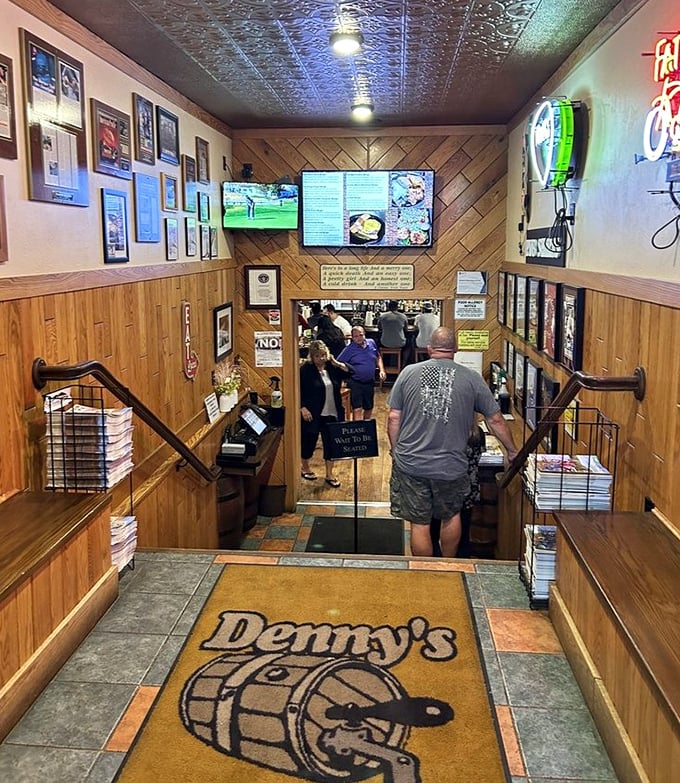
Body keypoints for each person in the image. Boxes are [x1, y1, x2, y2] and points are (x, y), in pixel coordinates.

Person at [387, 326, 518, 558]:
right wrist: (511, 450)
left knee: (420, 522)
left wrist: (396, 450)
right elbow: (495, 419)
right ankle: (448, 568)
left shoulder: (408, 373)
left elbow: (393, 417)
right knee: (451, 515)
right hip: (451, 464)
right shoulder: (471, 378)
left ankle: (423, 572)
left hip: (412, 463)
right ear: (455, 349)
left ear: (428, 348)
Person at [300, 340, 352, 488]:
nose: (321, 358)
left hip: (332, 411)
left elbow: (351, 372)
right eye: (317, 356)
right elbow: (298, 390)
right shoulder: (305, 370)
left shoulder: (331, 367)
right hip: (313, 412)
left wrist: (336, 363)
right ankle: (305, 467)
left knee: (331, 443)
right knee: (309, 440)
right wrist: (302, 407)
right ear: (312, 356)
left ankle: (330, 473)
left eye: (323, 355)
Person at [337, 326, 386, 420]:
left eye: (361, 335)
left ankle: (366, 427)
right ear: (352, 337)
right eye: (355, 336)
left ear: (364, 334)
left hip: (370, 381)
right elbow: (339, 363)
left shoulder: (371, 343)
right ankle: (358, 429)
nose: (359, 338)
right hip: (355, 381)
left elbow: (378, 356)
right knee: (357, 408)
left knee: (369, 406)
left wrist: (382, 370)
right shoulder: (349, 349)